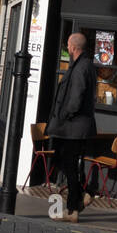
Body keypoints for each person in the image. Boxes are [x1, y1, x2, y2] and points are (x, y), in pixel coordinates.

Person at [47, 32, 97, 222]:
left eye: (68, 45)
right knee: (68, 165)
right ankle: (76, 205)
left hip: (72, 127)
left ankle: (75, 204)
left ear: (74, 47)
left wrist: (64, 115)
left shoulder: (80, 68)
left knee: (67, 164)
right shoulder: (85, 65)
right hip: (75, 127)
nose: (66, 48)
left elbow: (75, 99)